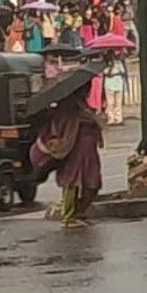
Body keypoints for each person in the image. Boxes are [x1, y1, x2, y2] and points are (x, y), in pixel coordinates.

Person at [30, 85, 105, 229]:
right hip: (73, 152)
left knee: (93, 183)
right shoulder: (67, 107)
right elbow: (63, 129)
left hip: (89, 152)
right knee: (72, 182)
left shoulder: (83, 106)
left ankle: (79, 212)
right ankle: (69, 216)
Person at [102, 51, 128, 126]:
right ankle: (111, 119)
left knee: (118, 103)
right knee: (110, 103)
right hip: (109, 85)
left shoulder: (118, 63)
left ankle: (118, 119)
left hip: (118, 84)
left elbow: (122, 72)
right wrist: (111, 67)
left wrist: (115, 69)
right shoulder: (105, 65)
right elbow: (106, 73)